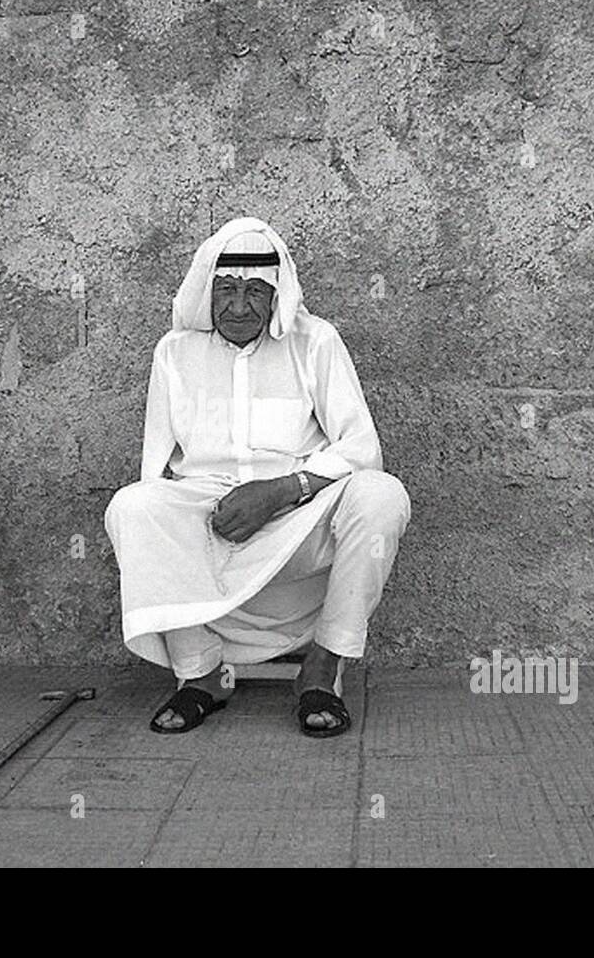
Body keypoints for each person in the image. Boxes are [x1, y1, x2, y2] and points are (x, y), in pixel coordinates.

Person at [105, 217, 411, 737]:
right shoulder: (174, 353)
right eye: (225, 291)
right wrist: (189, 519)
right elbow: (155, 466)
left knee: (382, 496)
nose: (239, 307)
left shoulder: (315, 342)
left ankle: (324, 666)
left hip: (301, 514)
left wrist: (281, 491)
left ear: (278, 295)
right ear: (206, 291)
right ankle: (199, 672)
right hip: (213, 518)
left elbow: (362, 447)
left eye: (255, 292)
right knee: (132, 509)